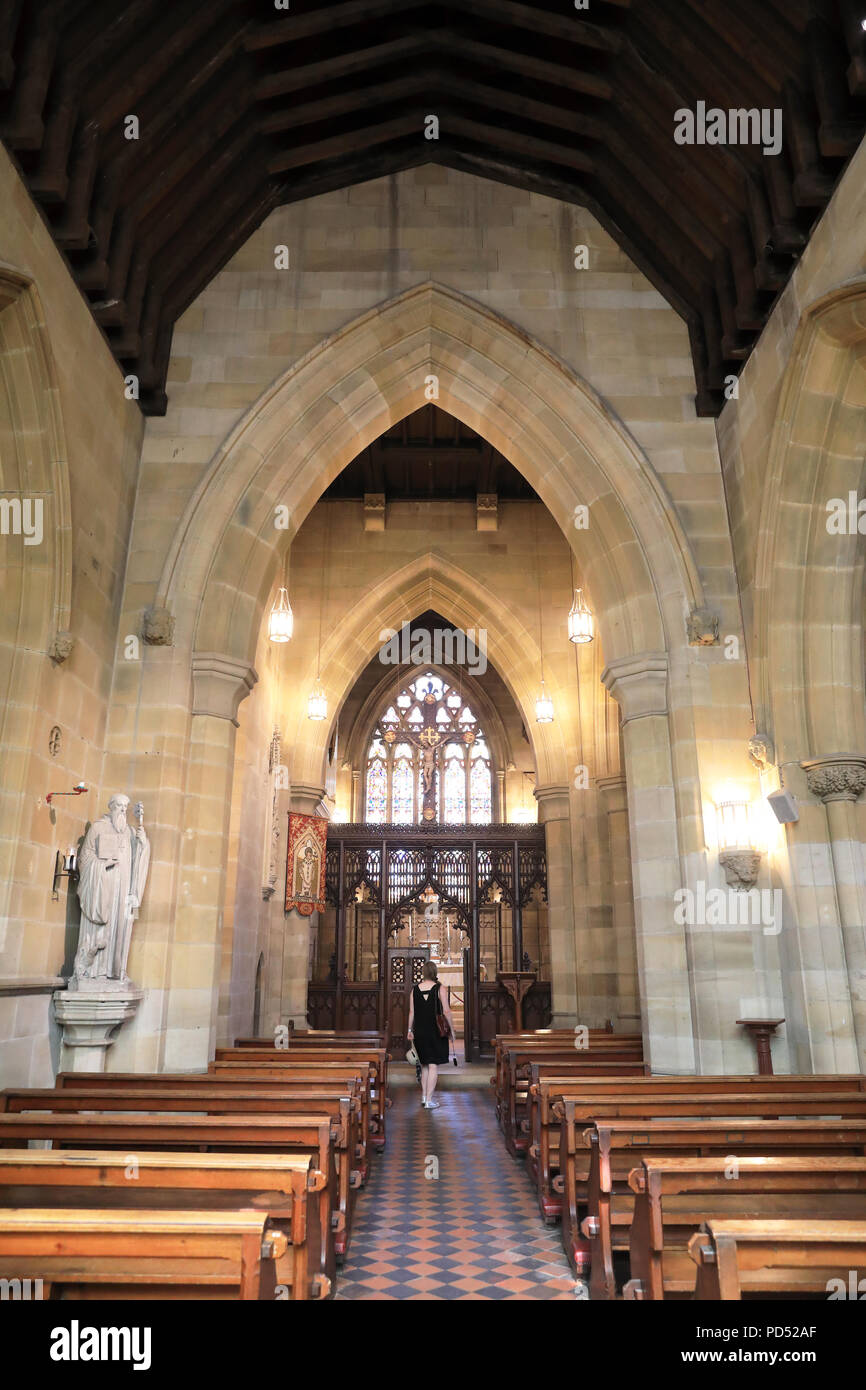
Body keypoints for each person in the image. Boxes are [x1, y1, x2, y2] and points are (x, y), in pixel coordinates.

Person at [406, 960, 454, 1109]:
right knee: (433, 1065)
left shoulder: (414, 990)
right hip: (435, 1031)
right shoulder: (441, 988)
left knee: (425, 1065)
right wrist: (452, 1030)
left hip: (420, 1031)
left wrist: (409, 1030)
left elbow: (412, 1012)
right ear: (435, 972)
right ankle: (429, 1101)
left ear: (424, 973)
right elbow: (446, 1011)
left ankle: (424, 1097)